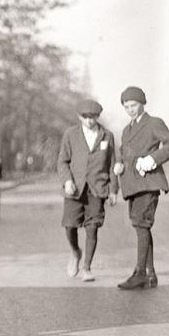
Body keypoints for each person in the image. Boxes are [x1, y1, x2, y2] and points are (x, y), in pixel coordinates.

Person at [113, 86, 169, 290]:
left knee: (141, 224)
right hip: (132, 184)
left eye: (134, 105)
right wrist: (120, 162)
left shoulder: (154, 123)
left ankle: (140, 273)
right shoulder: (126, 129)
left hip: (148, 182)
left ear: (143, 104)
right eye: (127, 106)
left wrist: (152, 159)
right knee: (141, 226)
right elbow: (124, 151)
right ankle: (150, 274)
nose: (130, 109)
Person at [57, 99, 118, 282]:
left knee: (92, 228)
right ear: (79, 117)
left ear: (98, 117)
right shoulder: (70, 134)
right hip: (74, 188)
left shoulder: (107, 135)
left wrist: (114, 190)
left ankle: (87, 268)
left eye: (93, 117)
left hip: (97, 188)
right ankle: (76, 252)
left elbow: (113, 164)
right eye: (86, 117)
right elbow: (62, 161)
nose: (90, 121)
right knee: (70, 225)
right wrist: (67, 180)